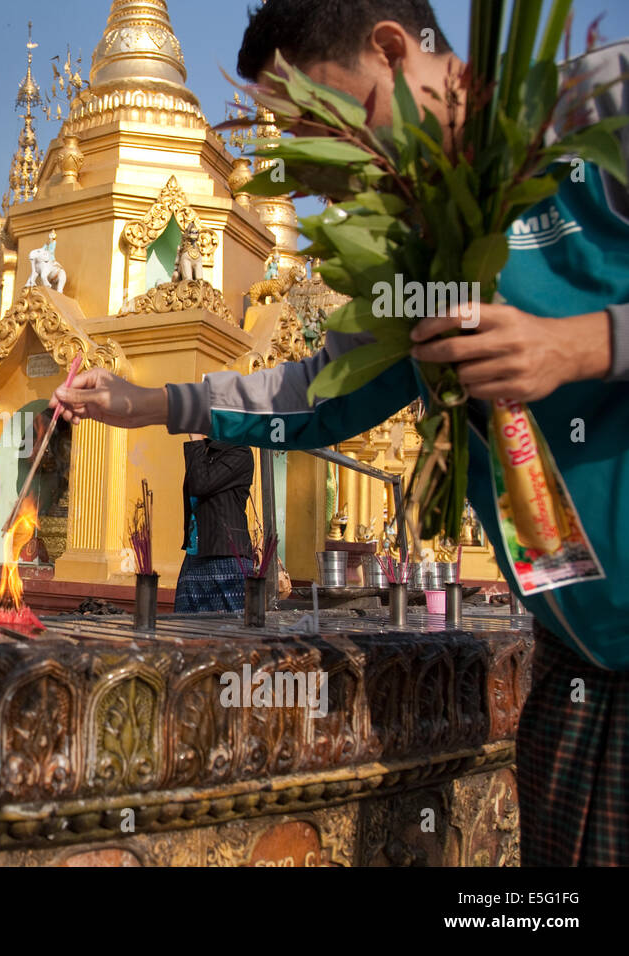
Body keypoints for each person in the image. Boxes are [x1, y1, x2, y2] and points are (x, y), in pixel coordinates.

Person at [54, 1, 629, 866]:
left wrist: (582, 345)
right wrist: (147, 403)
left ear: (393, 51)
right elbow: (320, 390)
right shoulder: (414, 250)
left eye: (322, 125)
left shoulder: (593, 112)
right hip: (581, 654)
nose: (313, 174)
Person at [175, 436, 255, 612]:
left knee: (230, 629)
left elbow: (201, 484)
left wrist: (195, 440)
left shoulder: (239, 451)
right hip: (195, 555)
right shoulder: (205, 451)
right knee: (185, 627)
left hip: (225, 555)